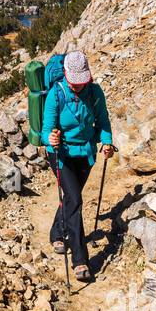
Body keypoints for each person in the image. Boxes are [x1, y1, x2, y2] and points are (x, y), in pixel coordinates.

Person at [43, 51, 114, 282]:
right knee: (75, 200)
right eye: (73, 82)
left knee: (71, 198)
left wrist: (107, 141)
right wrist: (50, 139)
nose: (77, 86)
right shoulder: (56, 93)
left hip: (85, 153)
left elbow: (103, 120)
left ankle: (57, 233)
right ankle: (80, 259)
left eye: (81, 81)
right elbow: (46, 129)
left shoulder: (95, 92)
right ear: (65, 75)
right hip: (61, 154)